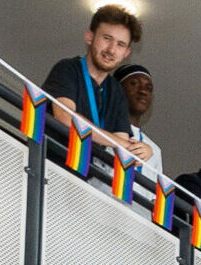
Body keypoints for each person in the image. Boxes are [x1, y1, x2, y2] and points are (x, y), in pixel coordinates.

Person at [41, 6, 145, 159]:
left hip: (84, 177)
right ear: (90, 37)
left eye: (120, 44)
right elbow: (65, 118)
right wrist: (122, 144)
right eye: (107, 38)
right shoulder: (68, 68)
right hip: (48, 164)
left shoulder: (116, 91)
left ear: (126, 53)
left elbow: (123, 148)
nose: (111, 49)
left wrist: (140, 151)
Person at [112, 62, 160, 170]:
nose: (143, 91)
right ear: (116, 89)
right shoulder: (99, 130)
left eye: (149, 88)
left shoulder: (154, 151)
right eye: (134, 84)